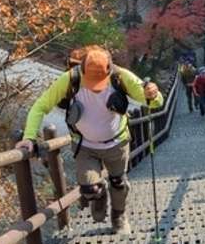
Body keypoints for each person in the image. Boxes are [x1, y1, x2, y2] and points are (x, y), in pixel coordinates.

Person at [23, 45, 162, 234]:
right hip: (85, 145)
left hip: (116, 143)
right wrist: (29, 137)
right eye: (91, 81)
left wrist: (153, 93)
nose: (95, 87)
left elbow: (155, 102)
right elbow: (40, 106)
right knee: (89, 188)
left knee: (118, 182)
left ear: (109, 70)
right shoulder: (71, 79)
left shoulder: (121, 77)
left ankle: (119, 217)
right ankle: (99, 193)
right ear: (82, 69)